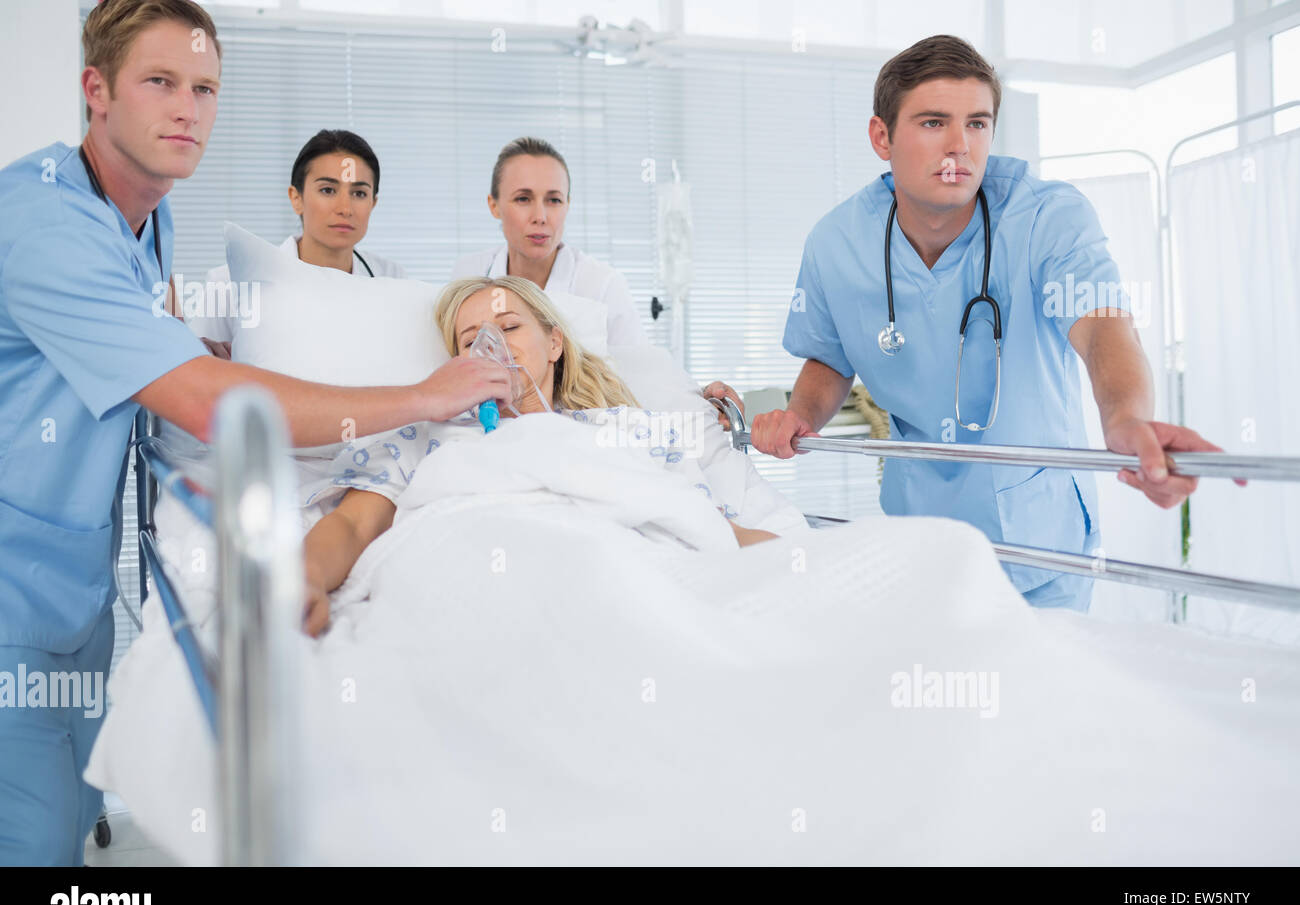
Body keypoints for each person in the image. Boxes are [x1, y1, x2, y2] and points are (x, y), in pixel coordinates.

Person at [0, 0, 510, 866]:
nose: (187, 109)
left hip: (72, 579)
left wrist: (190, 351)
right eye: (160, 82)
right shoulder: (42, 221)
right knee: (40, 841)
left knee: (78, 810)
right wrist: (425, 397)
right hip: (15, 584)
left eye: (205, 88)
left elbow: (150, 354)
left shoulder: (147, 212)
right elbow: (210, 404)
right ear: (96, 91)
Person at [749, 34, 1230, 612]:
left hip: (1039, 540)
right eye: (933, 122)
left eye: (977, 123)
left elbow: (1103, 327)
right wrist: (800, 416)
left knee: (1039, 696)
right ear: (882, 137)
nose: (960, 146)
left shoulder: (1047, 217)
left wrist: (1126, 419)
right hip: (917, 532)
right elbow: (829, 355)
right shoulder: (836, 242)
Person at [302, 276, 780, 637]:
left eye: (509, 326)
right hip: (470, 587)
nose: (493, 345)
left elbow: (704, 527)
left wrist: (803, 559)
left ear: (554, 344)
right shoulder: (423, 432)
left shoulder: (630, 428)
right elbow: (353, 526)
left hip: (616, 585)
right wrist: (304, 580)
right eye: (472, 341)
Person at [451, 136, 744, 420]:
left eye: (553, 200)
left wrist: (696, 401)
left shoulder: (601, 284)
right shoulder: (469, 277)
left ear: (568, 205)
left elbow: (640, 373)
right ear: (494, 205)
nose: (540, 216)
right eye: (523, 198)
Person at [187, 128, 404, 349]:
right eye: (328, 190)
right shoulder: (229, 283)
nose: (345, 208)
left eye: (359, 193)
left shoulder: (393, 280)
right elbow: (197, 368)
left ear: (373, 204)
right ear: (296, 198)